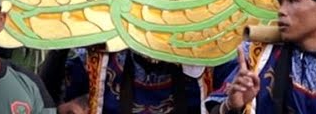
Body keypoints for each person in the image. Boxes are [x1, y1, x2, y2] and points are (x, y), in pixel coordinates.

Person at [57, 46, 236, 114]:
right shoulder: (96, 58)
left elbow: (232, 103)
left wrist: (230, 105)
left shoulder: (215, 57)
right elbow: (57, 102)